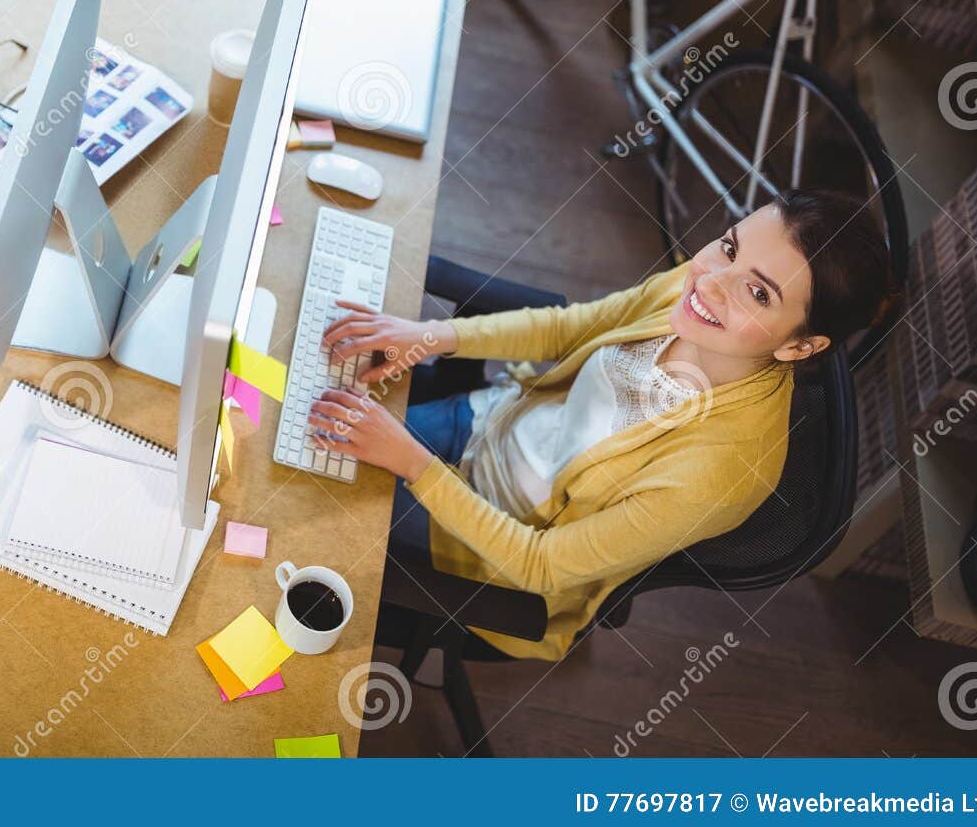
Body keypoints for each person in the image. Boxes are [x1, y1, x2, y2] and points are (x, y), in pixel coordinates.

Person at [312, 190, 896, 660]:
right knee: (305, 434)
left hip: (494, 551)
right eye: (728, 246)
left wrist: (411, 461)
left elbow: (539, 562)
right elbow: (572, 327)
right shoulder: (699, 289)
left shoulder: (720, 472)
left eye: (757, 293)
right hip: (490, 424)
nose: (711, 281)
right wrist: (428, 337)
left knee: (302, 512)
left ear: (800, 347)